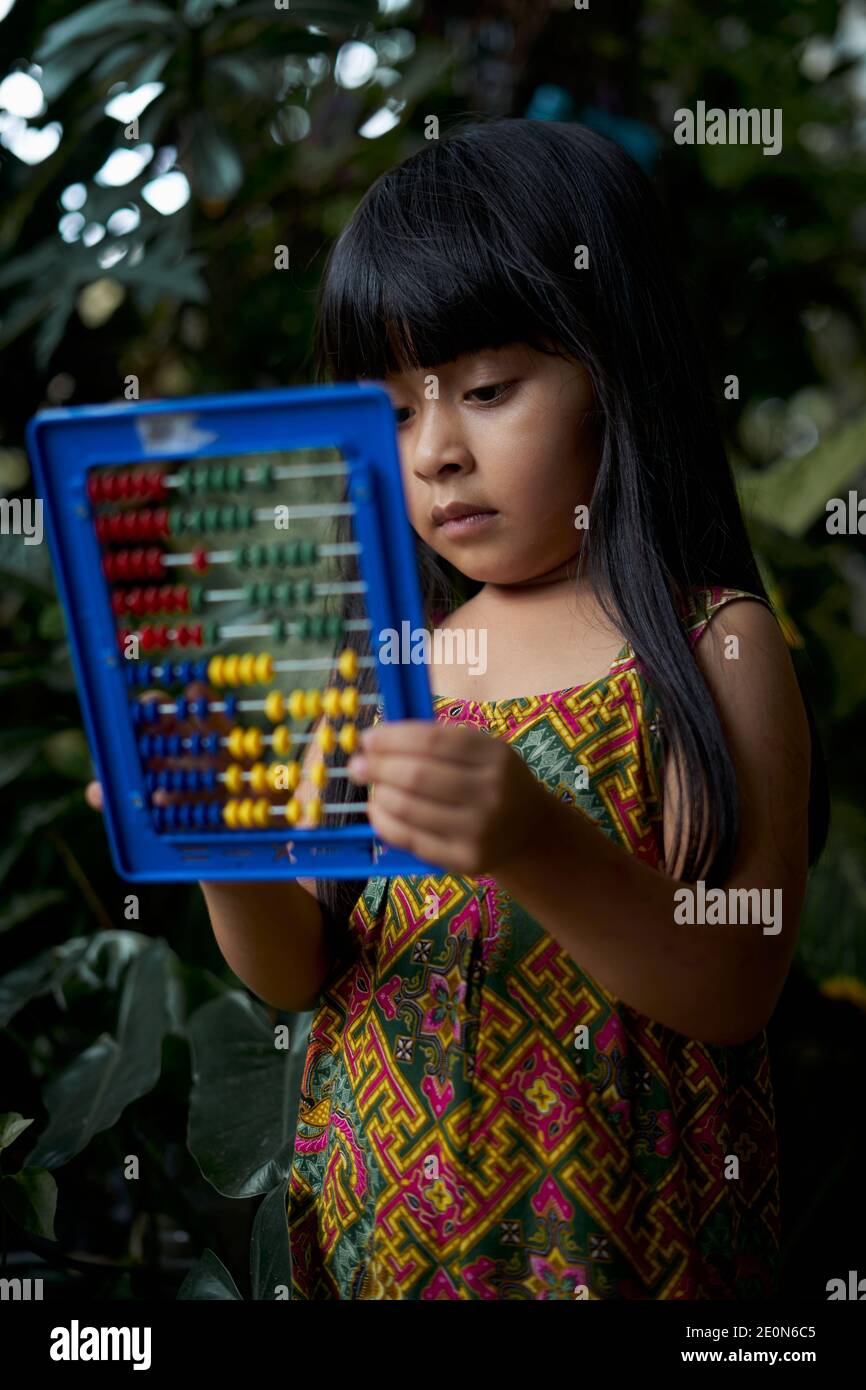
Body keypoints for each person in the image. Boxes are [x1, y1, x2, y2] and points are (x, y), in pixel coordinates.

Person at [88, 118, 830, 1300]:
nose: (433, 450)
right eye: (388, 411)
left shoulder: (708, 644)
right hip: (381, 1251)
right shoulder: (382, 660)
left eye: (485, 389)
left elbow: (733, 982)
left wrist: (535, 840)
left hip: (615, 1248)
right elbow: (303, 970)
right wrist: (206, 837)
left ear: (615, 374)